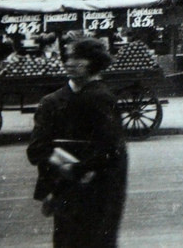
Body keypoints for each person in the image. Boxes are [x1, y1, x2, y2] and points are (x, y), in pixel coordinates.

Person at [27, 37, 128, 248]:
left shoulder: (101, 99)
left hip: (97, 193)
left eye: (78, 58)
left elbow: (112, 151)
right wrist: (74, 170)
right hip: (73, 190)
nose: (70, 62)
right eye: (70, 57)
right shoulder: (52, 103)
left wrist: (73, 169)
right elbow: (37, 150)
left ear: (94, 62)